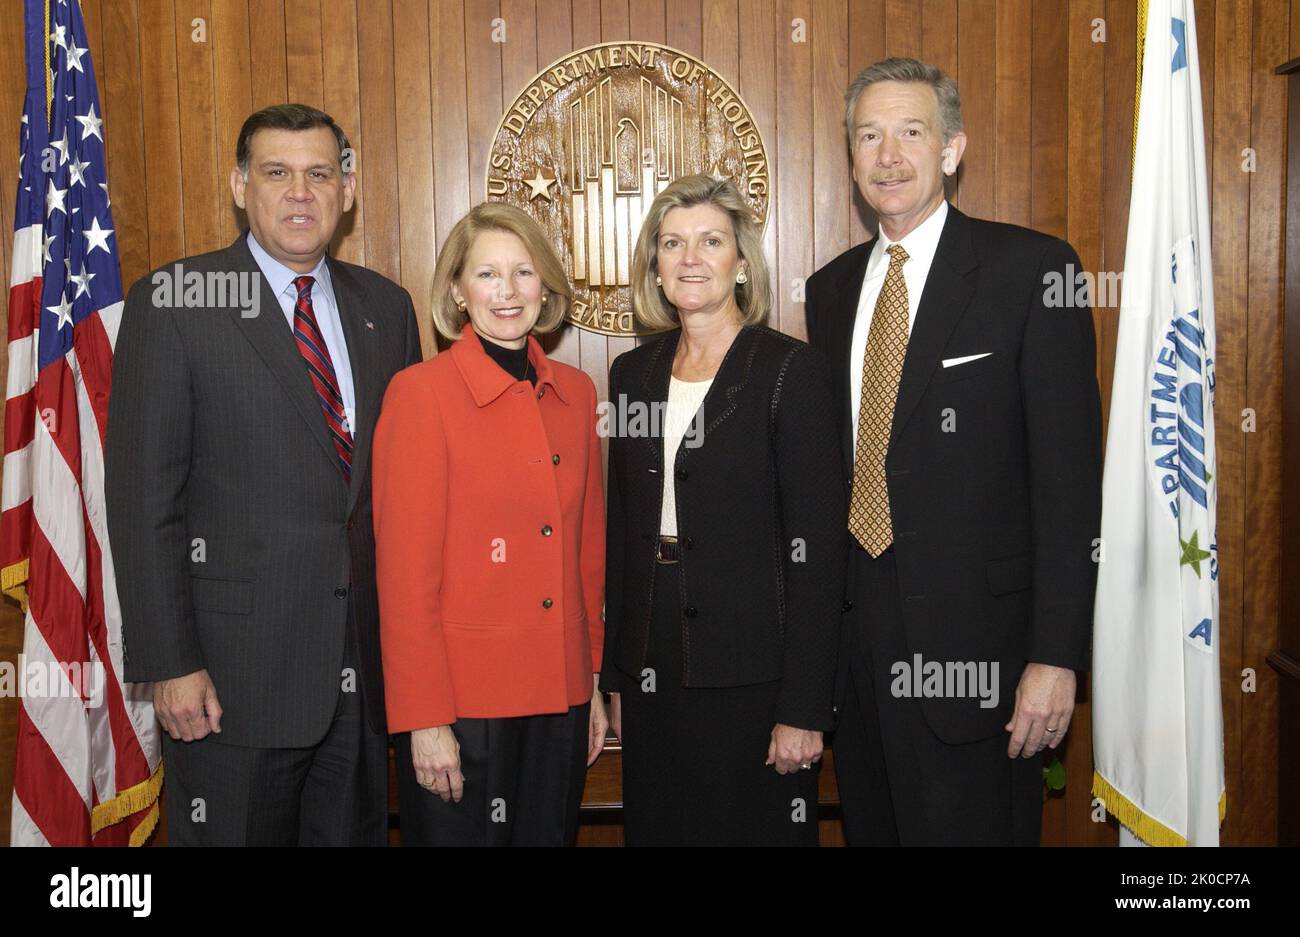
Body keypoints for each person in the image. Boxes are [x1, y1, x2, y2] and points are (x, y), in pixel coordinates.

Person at [804, 57, 1103, 845]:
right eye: (869, 135)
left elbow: (1070, 488)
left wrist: (1056, 657)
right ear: (851, 152)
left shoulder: (1032, 272)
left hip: (985, 663)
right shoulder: (830, 292)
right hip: (858, 662)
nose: (889, 155)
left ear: (952, 148)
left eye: (911, 132)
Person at [105, 104, 422, 845]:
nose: (300, 193)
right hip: (229, 684)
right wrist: (169, 664)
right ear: (240, 185)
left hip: (362, 680)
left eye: (319, 174)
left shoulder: (388, 307)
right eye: (277, 173)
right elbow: (142, 500)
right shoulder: (176, 301)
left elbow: (403, 495)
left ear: (347, 189)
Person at [601, 174, 846, 845]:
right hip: (652, 668)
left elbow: (818, 555)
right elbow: (623, 533)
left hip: (755, 674)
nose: (690, 257)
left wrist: (804, 706)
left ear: (741, 262)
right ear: (653, 263)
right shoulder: (632, 375)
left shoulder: (790, 373)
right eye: (672, 242)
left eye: (711, 241)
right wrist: (616, 677)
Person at [372, 203, 607, 846]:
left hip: (560, 697)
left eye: (524, 273)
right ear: (456, 290)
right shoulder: (420, 395)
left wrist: (592, 681)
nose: (508, 292)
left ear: (545, 287)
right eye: (487, 275)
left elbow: (587, 552)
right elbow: (403, 575)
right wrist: (423, 719)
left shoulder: (578, 393)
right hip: (463, 709)